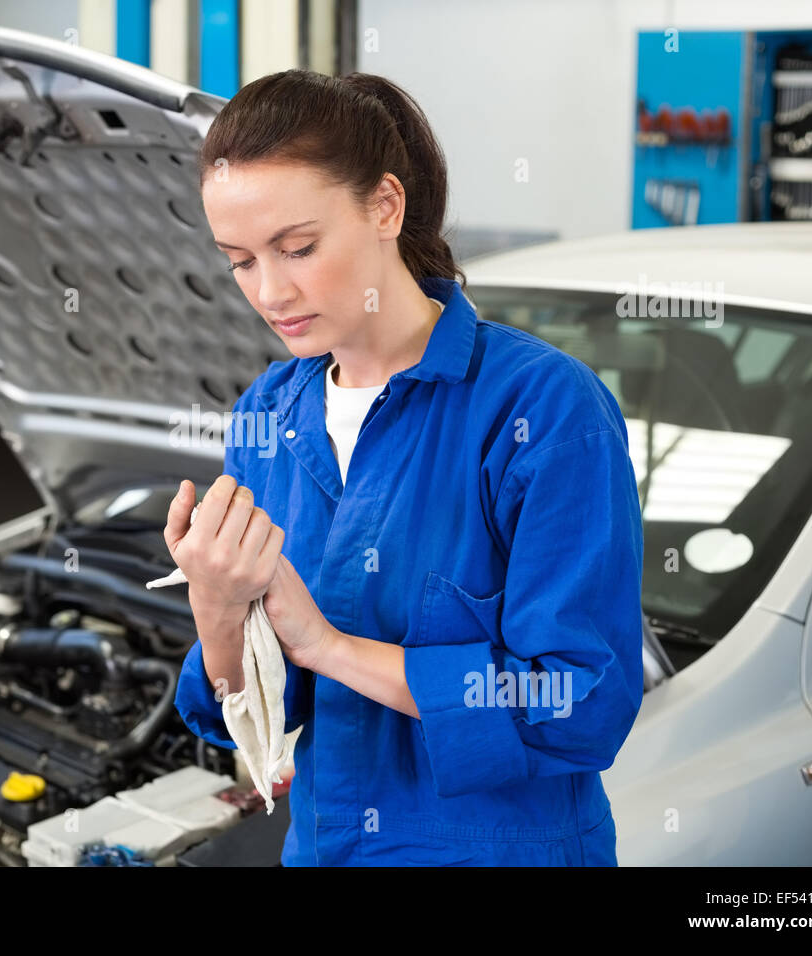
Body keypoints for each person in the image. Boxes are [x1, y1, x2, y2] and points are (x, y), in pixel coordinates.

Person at [163, 69, 645, 866]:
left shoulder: (543, 411)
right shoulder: (266, 414)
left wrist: (328, 646)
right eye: (239, 260)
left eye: (298, 248)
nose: (270, 291)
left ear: (385, 206)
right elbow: (241, 718)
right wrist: (218, 614)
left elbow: (579, 702)